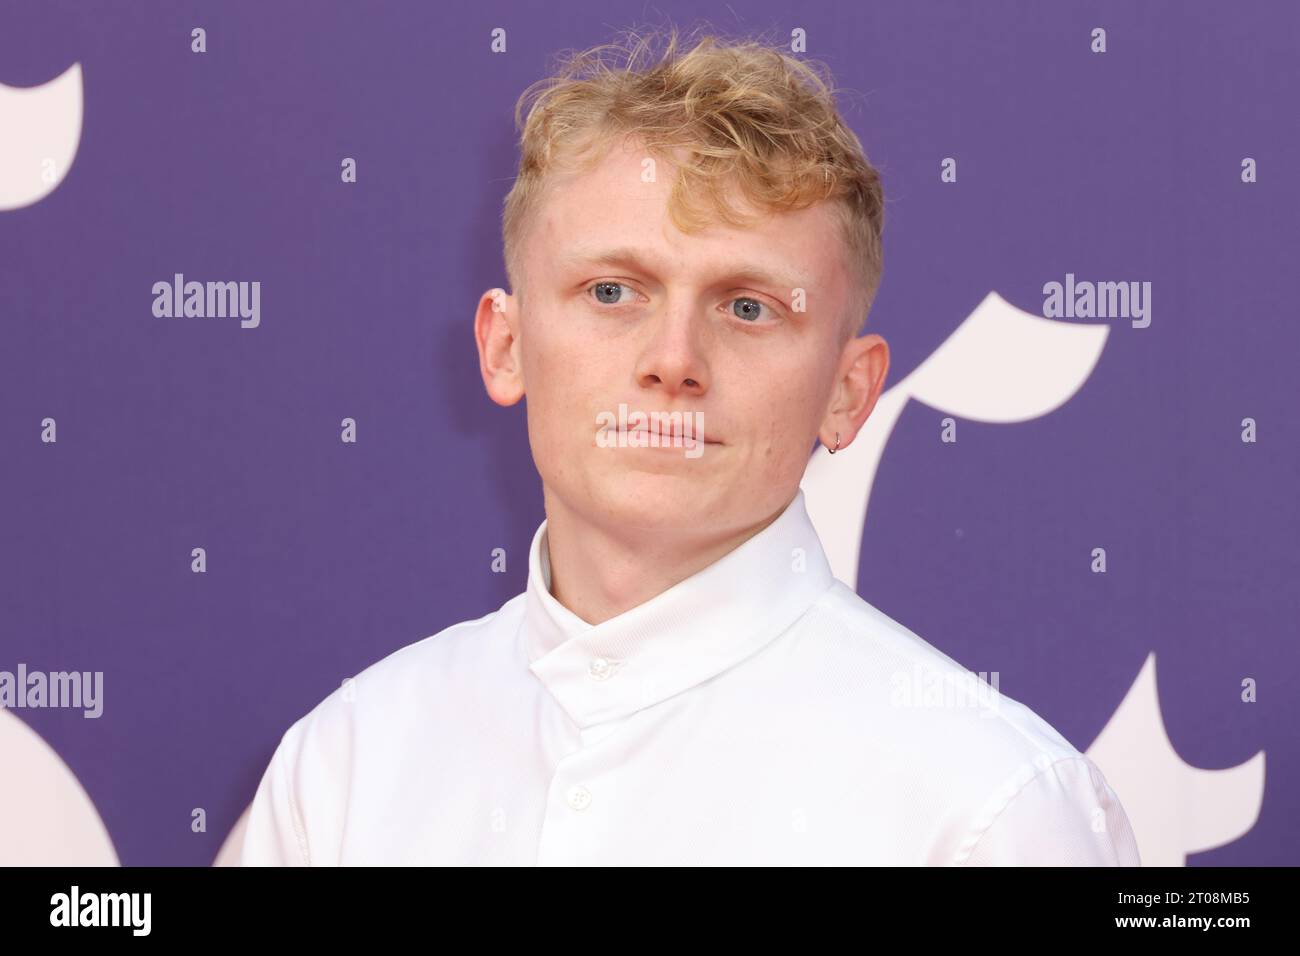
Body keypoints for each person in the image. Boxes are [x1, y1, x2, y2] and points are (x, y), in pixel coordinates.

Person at [240, 26, 1141, 866]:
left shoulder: (994, 810)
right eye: (610, 292)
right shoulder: (344, 767)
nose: (673, 361)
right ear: (505, 346)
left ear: (848, 390)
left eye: (748, 307)